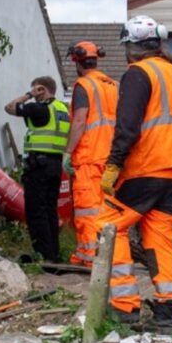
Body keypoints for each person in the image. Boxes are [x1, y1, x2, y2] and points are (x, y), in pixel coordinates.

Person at [96, 15, 172, 334]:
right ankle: (166, 311)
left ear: (133, 46)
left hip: (147, 168)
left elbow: (127, 126)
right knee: (158, 236)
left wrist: (113, 165)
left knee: (108, 226)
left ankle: (125, 306)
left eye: (126, 46)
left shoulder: (138, 73)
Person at [3, 75, 70, 262]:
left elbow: (9, 107)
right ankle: (54, 255)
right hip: (55, 165)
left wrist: (28, 95)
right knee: (50, 210)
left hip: (38, 167)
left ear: (41, 89)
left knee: (35, 212)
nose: (34, 93)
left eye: (36, 89)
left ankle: (44, 256)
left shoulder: (39, 108)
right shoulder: (62, 109)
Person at [62, 42, 117, 269]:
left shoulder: (83, 85)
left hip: (89, 157)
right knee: (108, 211)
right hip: (112, 159)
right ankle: (110, 257)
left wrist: (68, 152)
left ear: (76, 61)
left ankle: (87, 260)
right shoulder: (112, 85)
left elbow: (80, 120)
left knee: (87, 210)